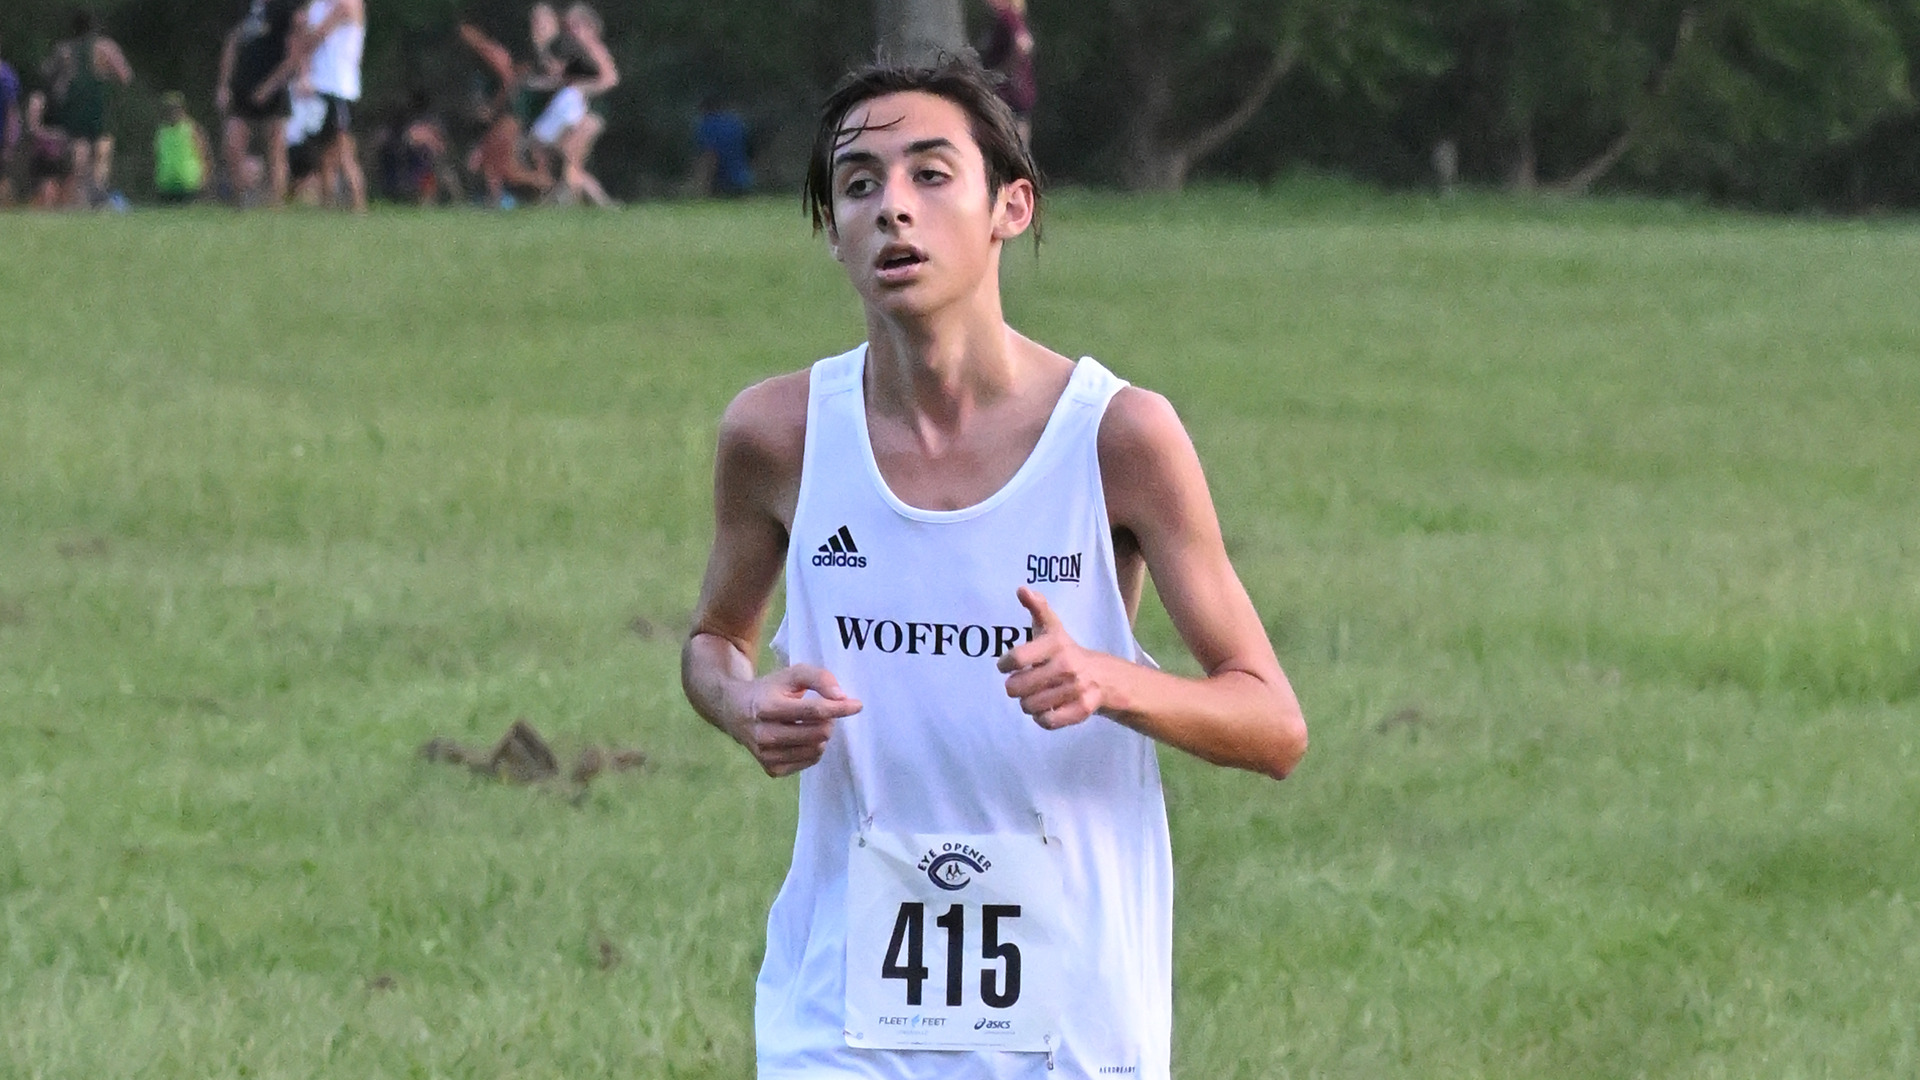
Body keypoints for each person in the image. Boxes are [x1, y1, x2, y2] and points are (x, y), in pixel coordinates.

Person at [680, 58, 1306, 1080]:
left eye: (931, 175)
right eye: (858, 184)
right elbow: (714, 642)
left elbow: (1273, 725)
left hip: (1072, 1016)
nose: (893, 208)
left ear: (1011, 206)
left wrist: (1110, 680)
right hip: (838, 1013)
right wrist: (741, 703)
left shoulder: (1118, 437)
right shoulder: (777, 433)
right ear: (833, 231)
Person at [256, 0, 366, 210]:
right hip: (316, 86)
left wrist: (300, 34)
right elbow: (301, 34)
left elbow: (314, 36)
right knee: (323, 154)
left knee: (342, 151)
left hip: (338, 87)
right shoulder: (317, 5)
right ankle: (326, 204)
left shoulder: (347, 4)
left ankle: (358, 205)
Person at [529, 2, 617, 207]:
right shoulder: (577, 52)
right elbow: (566, 79)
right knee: (569, 161)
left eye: (576, 26)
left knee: (570, 161)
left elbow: (610, 79)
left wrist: (582, 88)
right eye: (569, 27)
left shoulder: (594, 48)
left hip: (593, 113)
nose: (571, 31)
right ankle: (599, 205)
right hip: (582, 112)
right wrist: (544, 83)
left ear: (590, 26)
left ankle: (584, 204)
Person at [43, 10, 134, 206]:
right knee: (102, 148)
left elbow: (48, 74)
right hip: (98, 104)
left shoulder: (64, 49)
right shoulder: (105, 47)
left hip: (73, 107)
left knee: (79, 150)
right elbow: (125, 76)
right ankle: (98, 194)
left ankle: (79, 198)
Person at [456, 19, 551, 206]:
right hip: (505, 114)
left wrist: (494, 107)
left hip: (510, 114)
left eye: (466, 33)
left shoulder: (491, 51)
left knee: (507, 168)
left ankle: (548, 184)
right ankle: (495, 199)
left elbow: (509, 82)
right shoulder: (478, 56)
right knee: (489, 159)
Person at [217, 0, 297, 206]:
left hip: (274, 87)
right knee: (233, 143)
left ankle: (277, 202)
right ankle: (241, 199)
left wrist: (271, 85)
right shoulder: (244, 8)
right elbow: (231, 44)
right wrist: (224, 85)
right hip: (243, 86)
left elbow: (294, 51)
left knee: (276, 147)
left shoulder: (284, 9)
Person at [976, 0, 1036, 149]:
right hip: (1013, 93)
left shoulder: (1008, 17)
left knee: (1010, 142)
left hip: (1010, 93)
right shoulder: (1004, 19)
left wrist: (1004, 70)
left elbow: (1023, 45)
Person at [153, 92, 210, 203]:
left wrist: (205, 178)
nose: (172, 112)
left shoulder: (192, 128)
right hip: (166, 184)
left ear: (183, 109)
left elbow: (204, 154)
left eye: (175, 109)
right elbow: (156, 156)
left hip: (189, 184)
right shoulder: (161, 131)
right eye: (169, 109)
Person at [693, 95, 753, 198]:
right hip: (743, 180)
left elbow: (710, 157)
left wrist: (702, 187)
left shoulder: (707, 125)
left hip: (721, 183)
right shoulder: (736, 123)